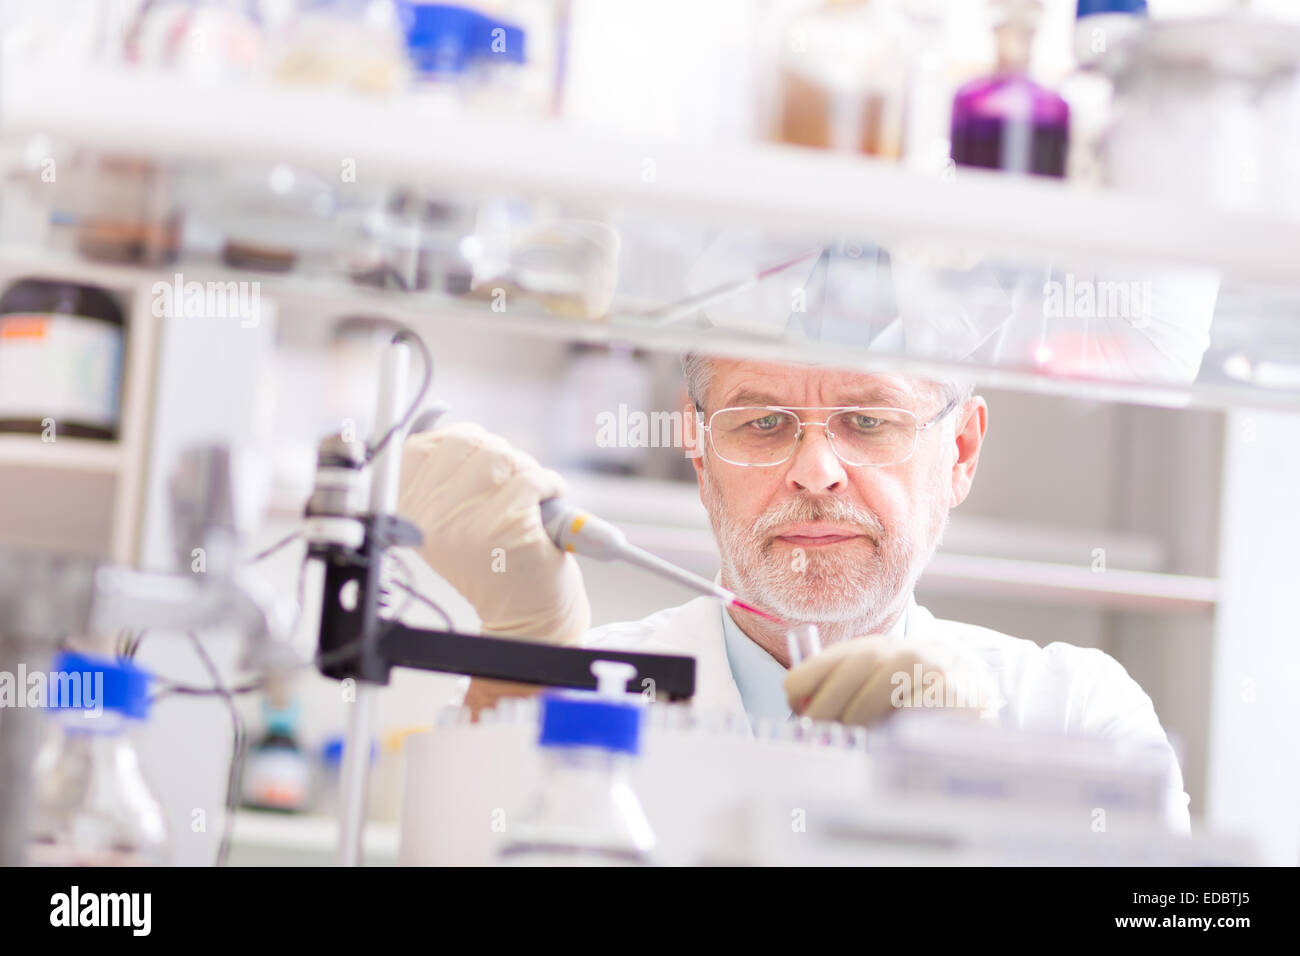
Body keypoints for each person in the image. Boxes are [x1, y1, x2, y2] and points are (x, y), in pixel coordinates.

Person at [399, 354, 1191, 831]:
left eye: (868, 421)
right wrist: (519, 655)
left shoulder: (1077, 714)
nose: (816, 471)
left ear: (962, 448)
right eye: (764, 423)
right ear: (700, 453)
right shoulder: (568, 687)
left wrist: (984, 781)